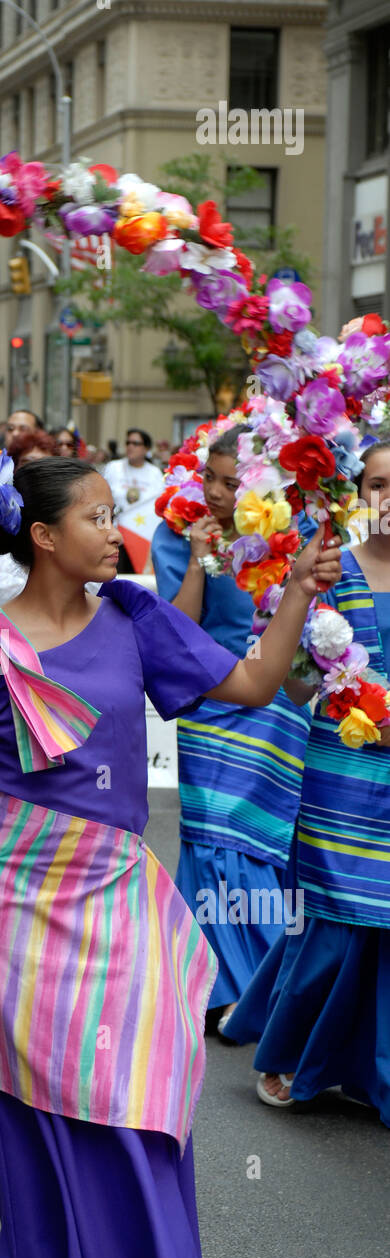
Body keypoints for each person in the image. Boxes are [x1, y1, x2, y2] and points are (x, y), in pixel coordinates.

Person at [0, 455, 340, 1258]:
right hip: (17, 902)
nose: (115, 532)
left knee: (130, 1086)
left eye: (113, 516)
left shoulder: (136, 616)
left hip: (119, 897)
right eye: (97, 519)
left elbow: (252, 683)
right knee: (35, 1088)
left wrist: (294, 595)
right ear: (43, 535)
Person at [224, 442, 390, 1121]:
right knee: (335, 921)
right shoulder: (332, 575)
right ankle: (297, 1053)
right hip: (342, 785)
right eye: (380, 483)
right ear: (359, 495)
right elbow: (289, 687)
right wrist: (294, 604)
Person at [150, 427, 312, 1030]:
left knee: (257, 840)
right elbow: (177, 629)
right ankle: (212, 985)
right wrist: (197, 556)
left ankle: (263, 988)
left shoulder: (290, 534)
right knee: (209, 835)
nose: (216, 493)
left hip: (276, 705)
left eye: (231, 482)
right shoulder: (179, 535)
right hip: (209, 697)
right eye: (210, 479)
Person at [104, 429, 165, 574]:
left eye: (136, 443)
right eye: (128, 442)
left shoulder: (154, 473)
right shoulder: (113, 467)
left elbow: (158, 504)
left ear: (146, 448)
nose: (130, 446)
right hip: (115, 532)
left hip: (140, 532)